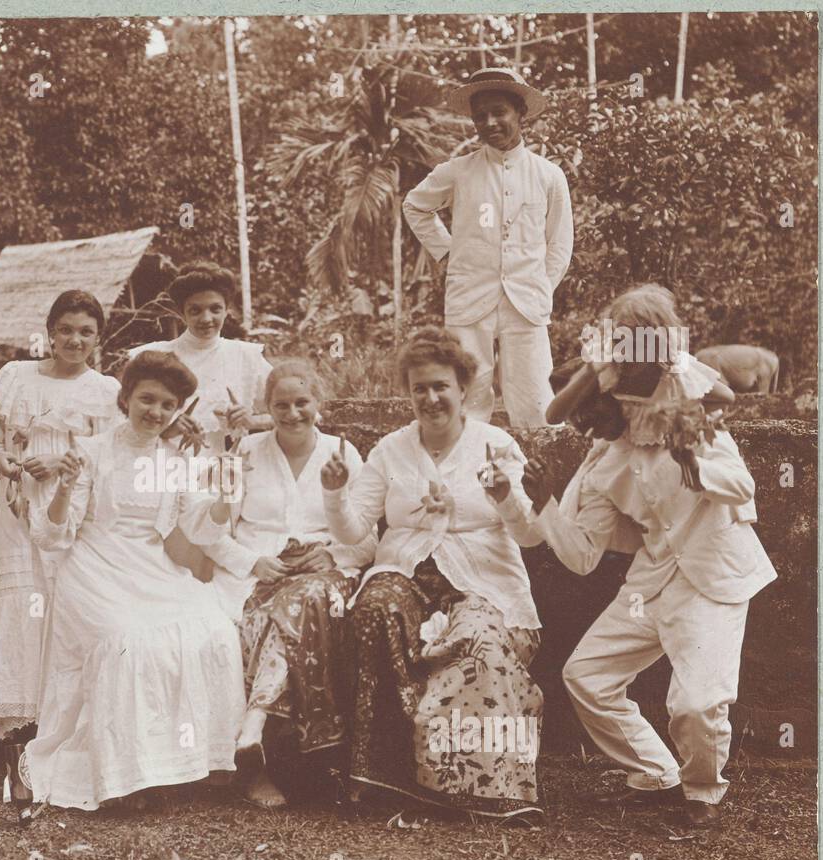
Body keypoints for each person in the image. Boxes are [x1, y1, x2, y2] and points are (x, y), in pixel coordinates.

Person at [516, 285, 775, 829]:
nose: (587, 428)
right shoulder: (602, 464)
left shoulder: (687, 417)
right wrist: (542, 505)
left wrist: (693, 463)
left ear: (622, 398)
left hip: (713, 574)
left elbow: (742, 484)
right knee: (586, 675)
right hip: (651, 583)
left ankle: (702, 794)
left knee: (697, 704)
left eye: (594, 414)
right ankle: (658, 773)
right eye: (582, 423)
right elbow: (583, 555)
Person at [321, 327, 546, 821]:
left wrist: (505, 495)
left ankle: (483, 786)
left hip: (480, 584)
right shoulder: (390, 449)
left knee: (482, 642)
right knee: (374, 607)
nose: (430, 398)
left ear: (464, 389)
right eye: (419, 387)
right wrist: (336, 494)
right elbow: (356, 531)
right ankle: (385, 776)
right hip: (404, 573)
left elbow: (530, 535)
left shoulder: (495, 445)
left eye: (441, 385)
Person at [21, 350, 246, 811]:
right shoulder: (90, 451)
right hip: (93, 565)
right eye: (147, 399)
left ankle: (180, 765)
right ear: (125, 398)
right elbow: (51, 535)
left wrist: (225, 493)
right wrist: (63, 488)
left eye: (168, 405)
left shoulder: (172, 460)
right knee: (126, 641)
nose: (156, 412)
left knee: (214, 629)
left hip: (150, 566)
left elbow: (201, 527)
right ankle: (124, 776)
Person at [0, 291, 121, 818]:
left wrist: (59, 461)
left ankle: (65, 736)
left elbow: (113, 455)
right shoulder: (16, 376)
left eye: (86, 331)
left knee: (66, 607)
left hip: (72, 511)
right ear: (49, 332)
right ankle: (16, 750)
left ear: (98, 338)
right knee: (22, 606)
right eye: (66, 330)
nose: (75, 340)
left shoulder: (107, 391)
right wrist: (6, 463)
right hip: (16, 512)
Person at [204, 360, 376, 808]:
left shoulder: (343, 452)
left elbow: (366, 540)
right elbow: (214, 533)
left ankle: (255, 728)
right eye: (282, 404)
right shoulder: (246, 453)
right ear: (267, 407)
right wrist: (253, 561)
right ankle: (255, 763)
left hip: (323, 574)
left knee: (301, 602)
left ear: (319, 404)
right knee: (251, 619)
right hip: (256, 574)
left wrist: (332, 554)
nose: (293, 412)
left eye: (303, 402)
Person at [403, 68, 572, 428]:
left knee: (535, 399)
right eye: (481, 116)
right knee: (469, 396)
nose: (490, 122)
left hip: (526, 305)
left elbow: (559, 243)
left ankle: (537, 479)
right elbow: (414, 205)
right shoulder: (458, 171)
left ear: (520, 113)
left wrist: (539, 286)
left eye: (499, 112)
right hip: (469, 299)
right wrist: (447, 251)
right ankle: (466, 476)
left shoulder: (548, 176)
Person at [126, 261, 273, 580]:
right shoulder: (158, 356)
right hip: (169, 470)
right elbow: (125, 421)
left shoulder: (245, 356)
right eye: (195, 310)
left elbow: (301, 411)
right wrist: (169, 427)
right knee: (183, 566)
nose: (206, 318)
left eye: (215, 308)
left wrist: (255, 418)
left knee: (227, 567)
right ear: (181, 313)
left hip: (229, 468)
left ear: (228, 308)